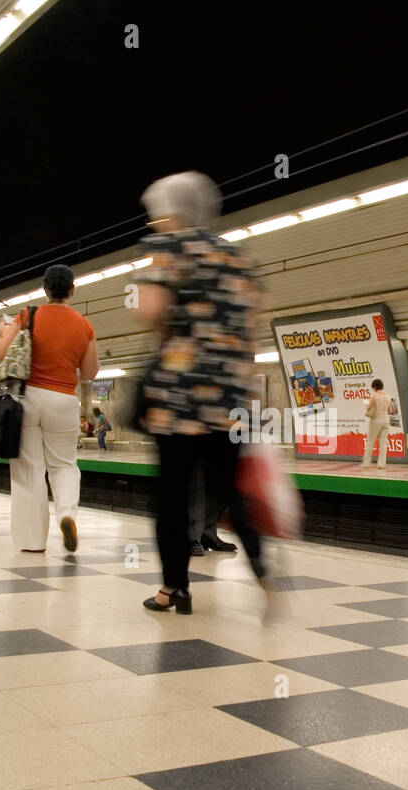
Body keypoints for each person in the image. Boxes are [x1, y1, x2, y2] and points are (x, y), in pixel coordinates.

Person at [134, 171, 266, 614]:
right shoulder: (240, 259)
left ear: (169, 213)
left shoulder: (169, 248)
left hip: (177, 401)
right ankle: (264, 573)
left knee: (171, 496)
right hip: (227, 402)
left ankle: (174, 589)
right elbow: (254, 329)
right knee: (230, 490)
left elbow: (150, 309)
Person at [0, 264, 99, 553]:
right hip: (64, 400)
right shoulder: (84, 325)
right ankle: (66, 514)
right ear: (72, 290)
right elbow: (90, 372)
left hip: (29, 398)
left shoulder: (28, 315)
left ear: (45, 289)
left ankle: (32, 541)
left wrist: (4, 330)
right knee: (64, 465)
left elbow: (1, 353)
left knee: (30, 468)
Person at [361, 378, 393, 470]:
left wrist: (365, 403)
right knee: (383, 443)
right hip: (386, 420)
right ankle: (381, 464)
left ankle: (366, 463)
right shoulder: (388, 397)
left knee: (371, 441)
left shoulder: (374, 396)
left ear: (375, 387)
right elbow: (390, 410)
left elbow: (368, 408)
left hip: (376, 420)